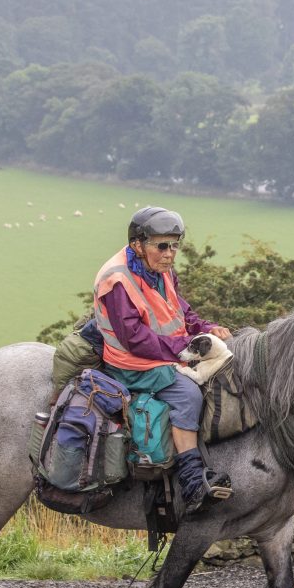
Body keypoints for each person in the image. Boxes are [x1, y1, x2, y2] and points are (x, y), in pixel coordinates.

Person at [93, 206, 233, 513]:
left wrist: (206, 329)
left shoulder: (160, 271)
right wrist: (187, 347)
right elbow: (134, 339)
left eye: (175, 245)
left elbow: (181, 311)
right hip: (131, 365)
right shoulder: (116, 281)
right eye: (162, 246)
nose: (170, 254)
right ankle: (193, 482)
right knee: (188, 394)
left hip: (166, 353)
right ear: (138, 245)